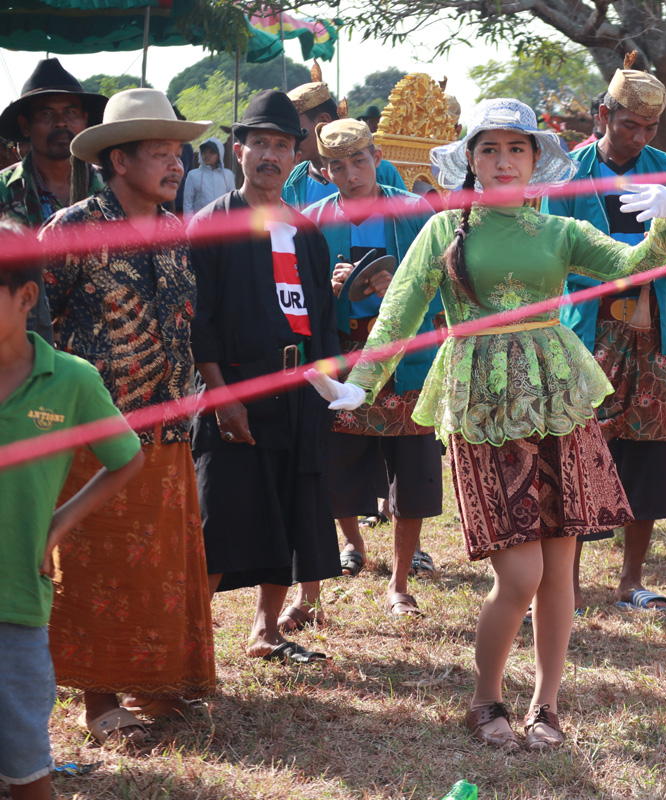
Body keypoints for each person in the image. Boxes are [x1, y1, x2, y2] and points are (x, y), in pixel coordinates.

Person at [305, 98, 666, 749]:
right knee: (520, 575)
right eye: (491, 149)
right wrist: (361, 382)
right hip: (485, 408)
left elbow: (631, 269)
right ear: (471, 159)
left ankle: (546, 706)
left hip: (557, 398)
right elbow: (400, 311)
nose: (504, 159)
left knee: (559, 569)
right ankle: (486, 700)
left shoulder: (558, 231)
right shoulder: (445, 229)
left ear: (535, 159)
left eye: (517, 148)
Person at [40, 88, 216, 741]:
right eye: (160, 154)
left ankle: (158, 686)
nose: (176, 166)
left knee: (159, 565)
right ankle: (99, 700)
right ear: (118, 161)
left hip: (169, 428)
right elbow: (37, 322)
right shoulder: (72, 231)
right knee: (96, 565)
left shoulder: (177, 231)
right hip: (94, 431)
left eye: (179, 154)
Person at [188, 89, 342, 665]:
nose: (270, 155)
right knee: (219, 514)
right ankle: (191, 643)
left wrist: (332, 387)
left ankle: (266, 629)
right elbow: (198, 322)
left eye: (281, 144)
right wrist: (222, 395)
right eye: (260, 143)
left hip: (298, 393)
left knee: (289, 507)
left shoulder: (307, 233)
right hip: (235, 390)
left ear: (293, 156)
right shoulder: (210, 224)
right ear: (238, 150)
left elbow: (321, 322)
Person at [547, 54, 666, 611]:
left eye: (648, 128)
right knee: (581, 452)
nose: (637, 137)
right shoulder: (567, 174)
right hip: (588, 334)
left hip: (654, 332)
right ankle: (567, 582)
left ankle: (631, 580)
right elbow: (551, 252)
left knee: (650, 454)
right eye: (627, 124)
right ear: (603, 114)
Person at [0, 220, 144, 800]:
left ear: (25, 297)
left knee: (27, 766)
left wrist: (57, 524)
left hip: (14, 601)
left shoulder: (71, 382)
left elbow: (126, 458)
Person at [294, 118, 441, 624]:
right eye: (338, 165)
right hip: (344, 355)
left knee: (413, 467)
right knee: (336, 462)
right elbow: (296, 296)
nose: (351, 174)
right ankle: (352, 543)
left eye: (360, 161)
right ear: (322, 169)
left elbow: (445, 281)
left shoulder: (414, 212)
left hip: (405, 360)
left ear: (377, 157)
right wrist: (327, 289)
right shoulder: (310, 220)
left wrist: (400, 287)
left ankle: (399, 583)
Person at [0, 58, 107, 343]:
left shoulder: (114, 189)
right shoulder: (2, 191)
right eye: (47, 113)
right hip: (23, 353)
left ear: (85, 121)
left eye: (70, 111)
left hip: (104, 357)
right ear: (25, 125)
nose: (61, 121)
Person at [282, 75, 407, 208]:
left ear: (324, 121)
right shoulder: (290, 182)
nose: (292, 140)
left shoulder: (382, 171)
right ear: (327, 174)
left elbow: (407, 220)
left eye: (299, 131)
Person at [182, 137, 235, 215]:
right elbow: (188, 203)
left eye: (212, 152)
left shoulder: (228, 175)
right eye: (204, 152)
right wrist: (188, 224)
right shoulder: (193, 175)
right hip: (200, 223)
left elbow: (233, 201)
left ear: (219, 154)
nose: (207, 155)